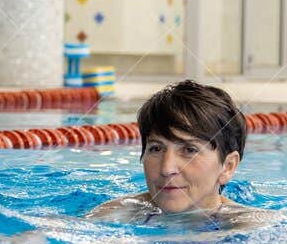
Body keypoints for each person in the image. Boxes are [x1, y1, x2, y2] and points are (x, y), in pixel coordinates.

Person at [87, 80, 275, 228]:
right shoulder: (116, 213)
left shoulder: (250, 225)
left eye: (189, 150)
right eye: (156, 148)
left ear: (227, 167)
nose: (167, 169)